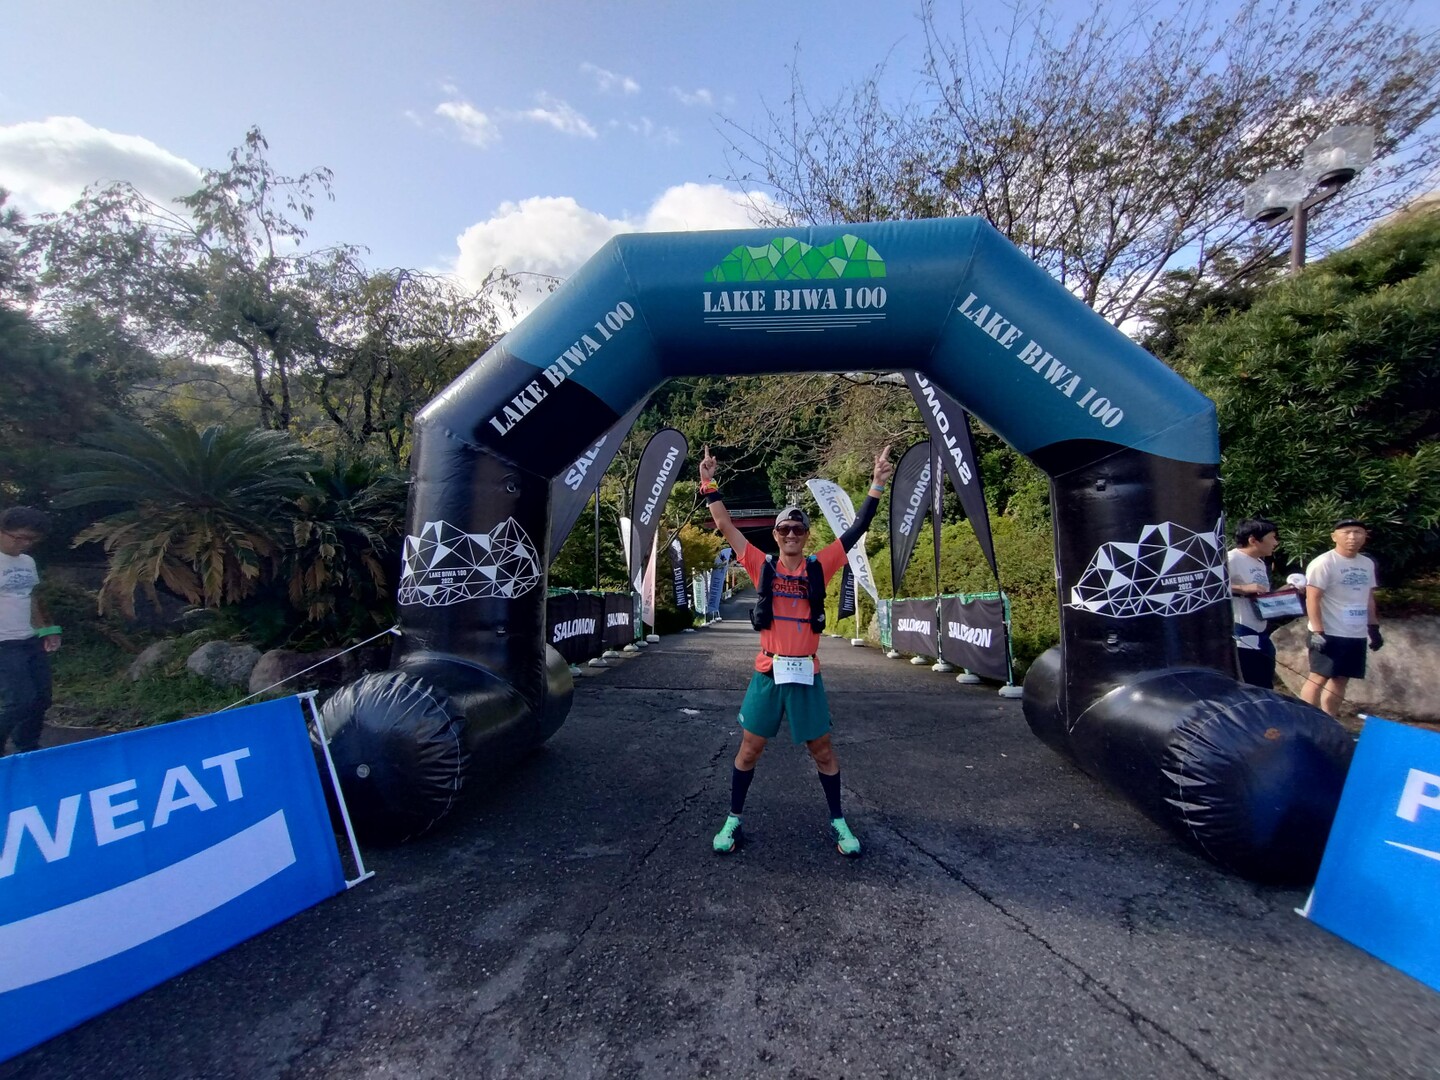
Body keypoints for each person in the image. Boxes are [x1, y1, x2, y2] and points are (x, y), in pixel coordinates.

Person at [697, 444, 894, 858]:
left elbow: (856, 530)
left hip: (806, 673)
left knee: (822, 751)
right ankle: (733, 818)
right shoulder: (760, 564)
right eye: (785, 529)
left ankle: (839, 821)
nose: (791, 534)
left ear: (806, 536)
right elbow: (724, 523)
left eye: (798, 530)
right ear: (775, 534)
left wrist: (876, 484)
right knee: (749, 749)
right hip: (768, 672)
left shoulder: (820, 566)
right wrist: (709, 480)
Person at [1301, 518, 1382, 717]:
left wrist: (1373, 626)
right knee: (1318, 677)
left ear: (1365, 536)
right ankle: (1305, 719)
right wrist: (1318, 631)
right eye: (1347, 532)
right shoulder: (1324, 562)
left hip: (1355, 631)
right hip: (1329, 630)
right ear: (1334, 536)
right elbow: (1312, 597)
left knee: (1341, 678)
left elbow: (1368, 595)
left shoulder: (1366, 563)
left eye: (1358, 532)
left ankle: (1330, 720)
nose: (1352, 537)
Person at [0, 507, 61, 756]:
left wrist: (46, 629)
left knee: (41, 699)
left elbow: (31, 596)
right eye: (19, 537)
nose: (24, 544)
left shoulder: (27, 562)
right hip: (4, 643)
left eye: (31, 540)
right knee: (20, 700)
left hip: (29, 639)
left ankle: (28, 748)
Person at [1228, 518, 1280, 688]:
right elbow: (1210, 586)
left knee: (1265, 680)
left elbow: (1260, 593)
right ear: (1253, 540)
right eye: (1272, 537)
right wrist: (1242, 588)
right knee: (1251, 681)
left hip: (1260, 627)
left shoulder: (1259, 562)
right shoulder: (1232, 558)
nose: (1275, 543)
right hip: (1241, 629)